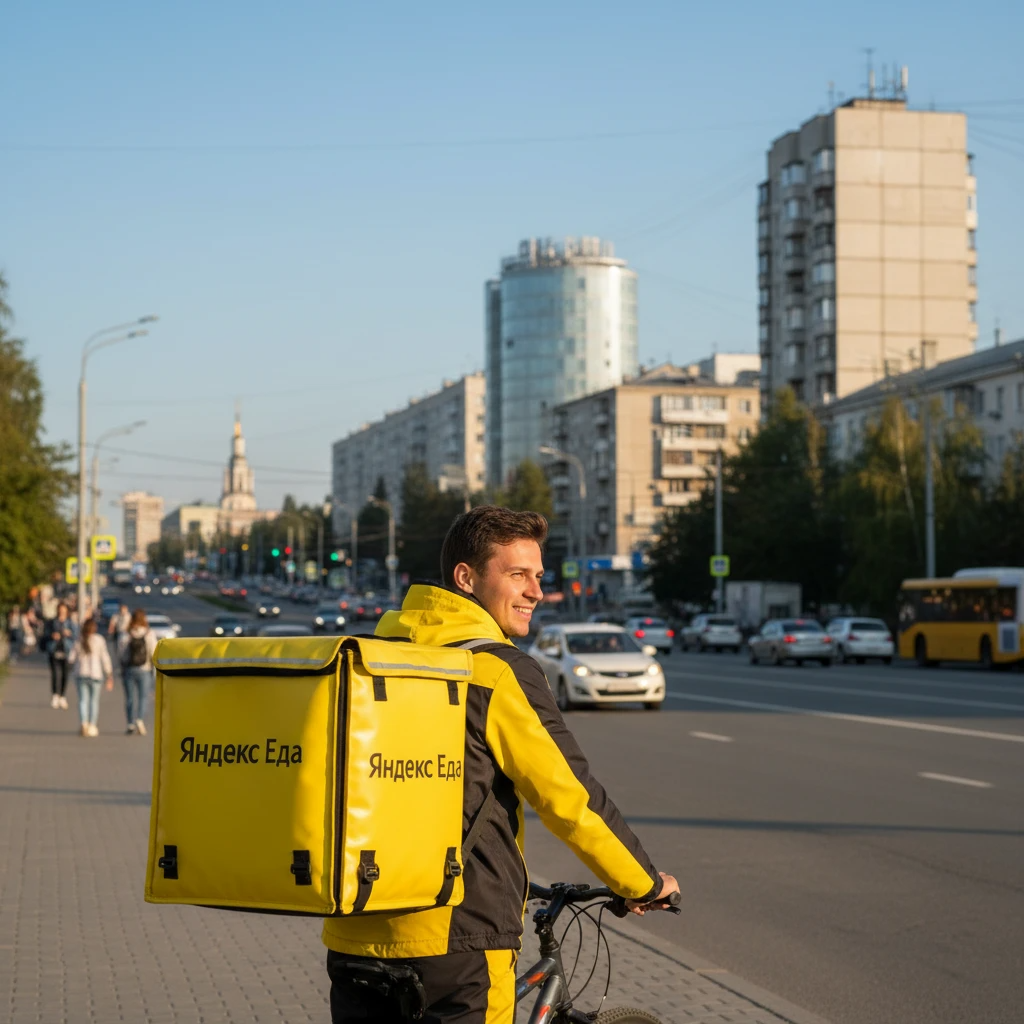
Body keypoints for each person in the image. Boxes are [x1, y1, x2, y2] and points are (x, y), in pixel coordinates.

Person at [323, 505, 679, 1024]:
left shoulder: (373, 657)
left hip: (354, 934)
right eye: (518, 575)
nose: (536, 590)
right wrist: (642, 882)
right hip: (458, 939)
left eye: (538, 576)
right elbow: (570, 798)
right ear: (466, 578)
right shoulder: (494, 670)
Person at [68, 618, 113, 738]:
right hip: (96, 674)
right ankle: (92, 725)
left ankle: (84, 723)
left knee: (83, 700)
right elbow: (105, 657)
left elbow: (71, 658)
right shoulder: (99, 640)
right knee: (94, 701)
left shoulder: (79, 640)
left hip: (81, 673)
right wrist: (109, 673)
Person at [121, 609, 157, 736]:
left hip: (129, 669)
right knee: (143, 697)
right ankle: (140, 719)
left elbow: (121, 652)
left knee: (130, 698)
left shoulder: (127, 634)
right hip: (145, 669)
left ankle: (130, 723)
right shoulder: (149, 633)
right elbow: (154, 651)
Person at [47, 603, 77, 710]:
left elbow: (76, 635)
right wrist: (52, 635)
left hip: (67, 650)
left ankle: (62, 696)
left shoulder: (70, 623)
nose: (62, 612)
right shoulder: (53, 622)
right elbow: (46, 633)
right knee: (55, 674)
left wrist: (69, 633)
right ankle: (55, 695)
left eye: (64, 610)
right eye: (60, 610)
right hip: (54, 649)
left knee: (65, 674)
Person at [108, 602, 132, 670]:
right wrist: (110, 630)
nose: (123, 611)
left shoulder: (128, 616)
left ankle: (125, 660)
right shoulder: (116, 615)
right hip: (119, 633)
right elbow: (112, 624)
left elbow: (131, 624)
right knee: (118, 649)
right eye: (121, 609)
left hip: (126, 634)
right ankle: (120, 661)